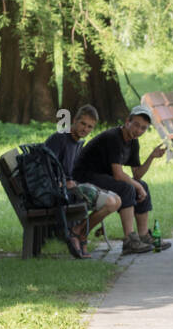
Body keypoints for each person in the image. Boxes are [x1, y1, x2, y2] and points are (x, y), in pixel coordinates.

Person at [72, 106, 172, 255]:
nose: (139, 130)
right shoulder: (114, 137)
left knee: (141, 185)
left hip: (102, 177)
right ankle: (129, 240)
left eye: (143, 128)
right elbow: (118, 175)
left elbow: (137, 175)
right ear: (127, 122)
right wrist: (137, 186)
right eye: (136, 125)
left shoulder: (133, 142)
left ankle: (143, 236)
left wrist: (151, 157)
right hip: (84, 177)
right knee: (127, 188)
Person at [44, 104, 121, 258]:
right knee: (111, 203)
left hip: (73, 188)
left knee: (118, 200)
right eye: (82, 124)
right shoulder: (60, 138)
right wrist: (61, 183)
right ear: (74, 121)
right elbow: (44, 166)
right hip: (59, 193)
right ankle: (79, 233)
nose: (85, 129)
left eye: (89, 127)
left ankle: (80, 231)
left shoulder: (78, 143)